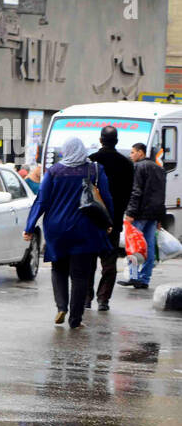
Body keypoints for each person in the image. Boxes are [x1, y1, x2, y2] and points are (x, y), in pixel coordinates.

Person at [23, 138, 113, 329]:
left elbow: (42, 201)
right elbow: (105, 197)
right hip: (85, 229)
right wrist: (108, 222)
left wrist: (30, 227)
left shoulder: (54, 171)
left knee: (59, 269)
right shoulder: (95, 170)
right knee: (80, 276)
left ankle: (61, 307)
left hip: (57, 229)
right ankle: (76, 319)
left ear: (65, 151)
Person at [89, 125, 134, 311]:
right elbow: (128, 193)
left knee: (88, 260)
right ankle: (103, 299)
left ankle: (85, 298)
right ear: (116, 141)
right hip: (114, 220)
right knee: (109, 262)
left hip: (91, 220)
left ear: (100, 140)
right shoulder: (126, 164)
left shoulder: (91, 161)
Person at [120, 141, 167, 291]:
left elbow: (136, 192)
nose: (131, 155)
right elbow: (161, 195)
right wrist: (160, 217)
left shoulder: (138, 167)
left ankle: (133, 276)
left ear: (141, 152)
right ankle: (145, 278)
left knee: (134, 245)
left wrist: (130, 213)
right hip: (153, 215)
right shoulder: (158, 169)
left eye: (133, 152)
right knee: (149, 246)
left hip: (139, 214)